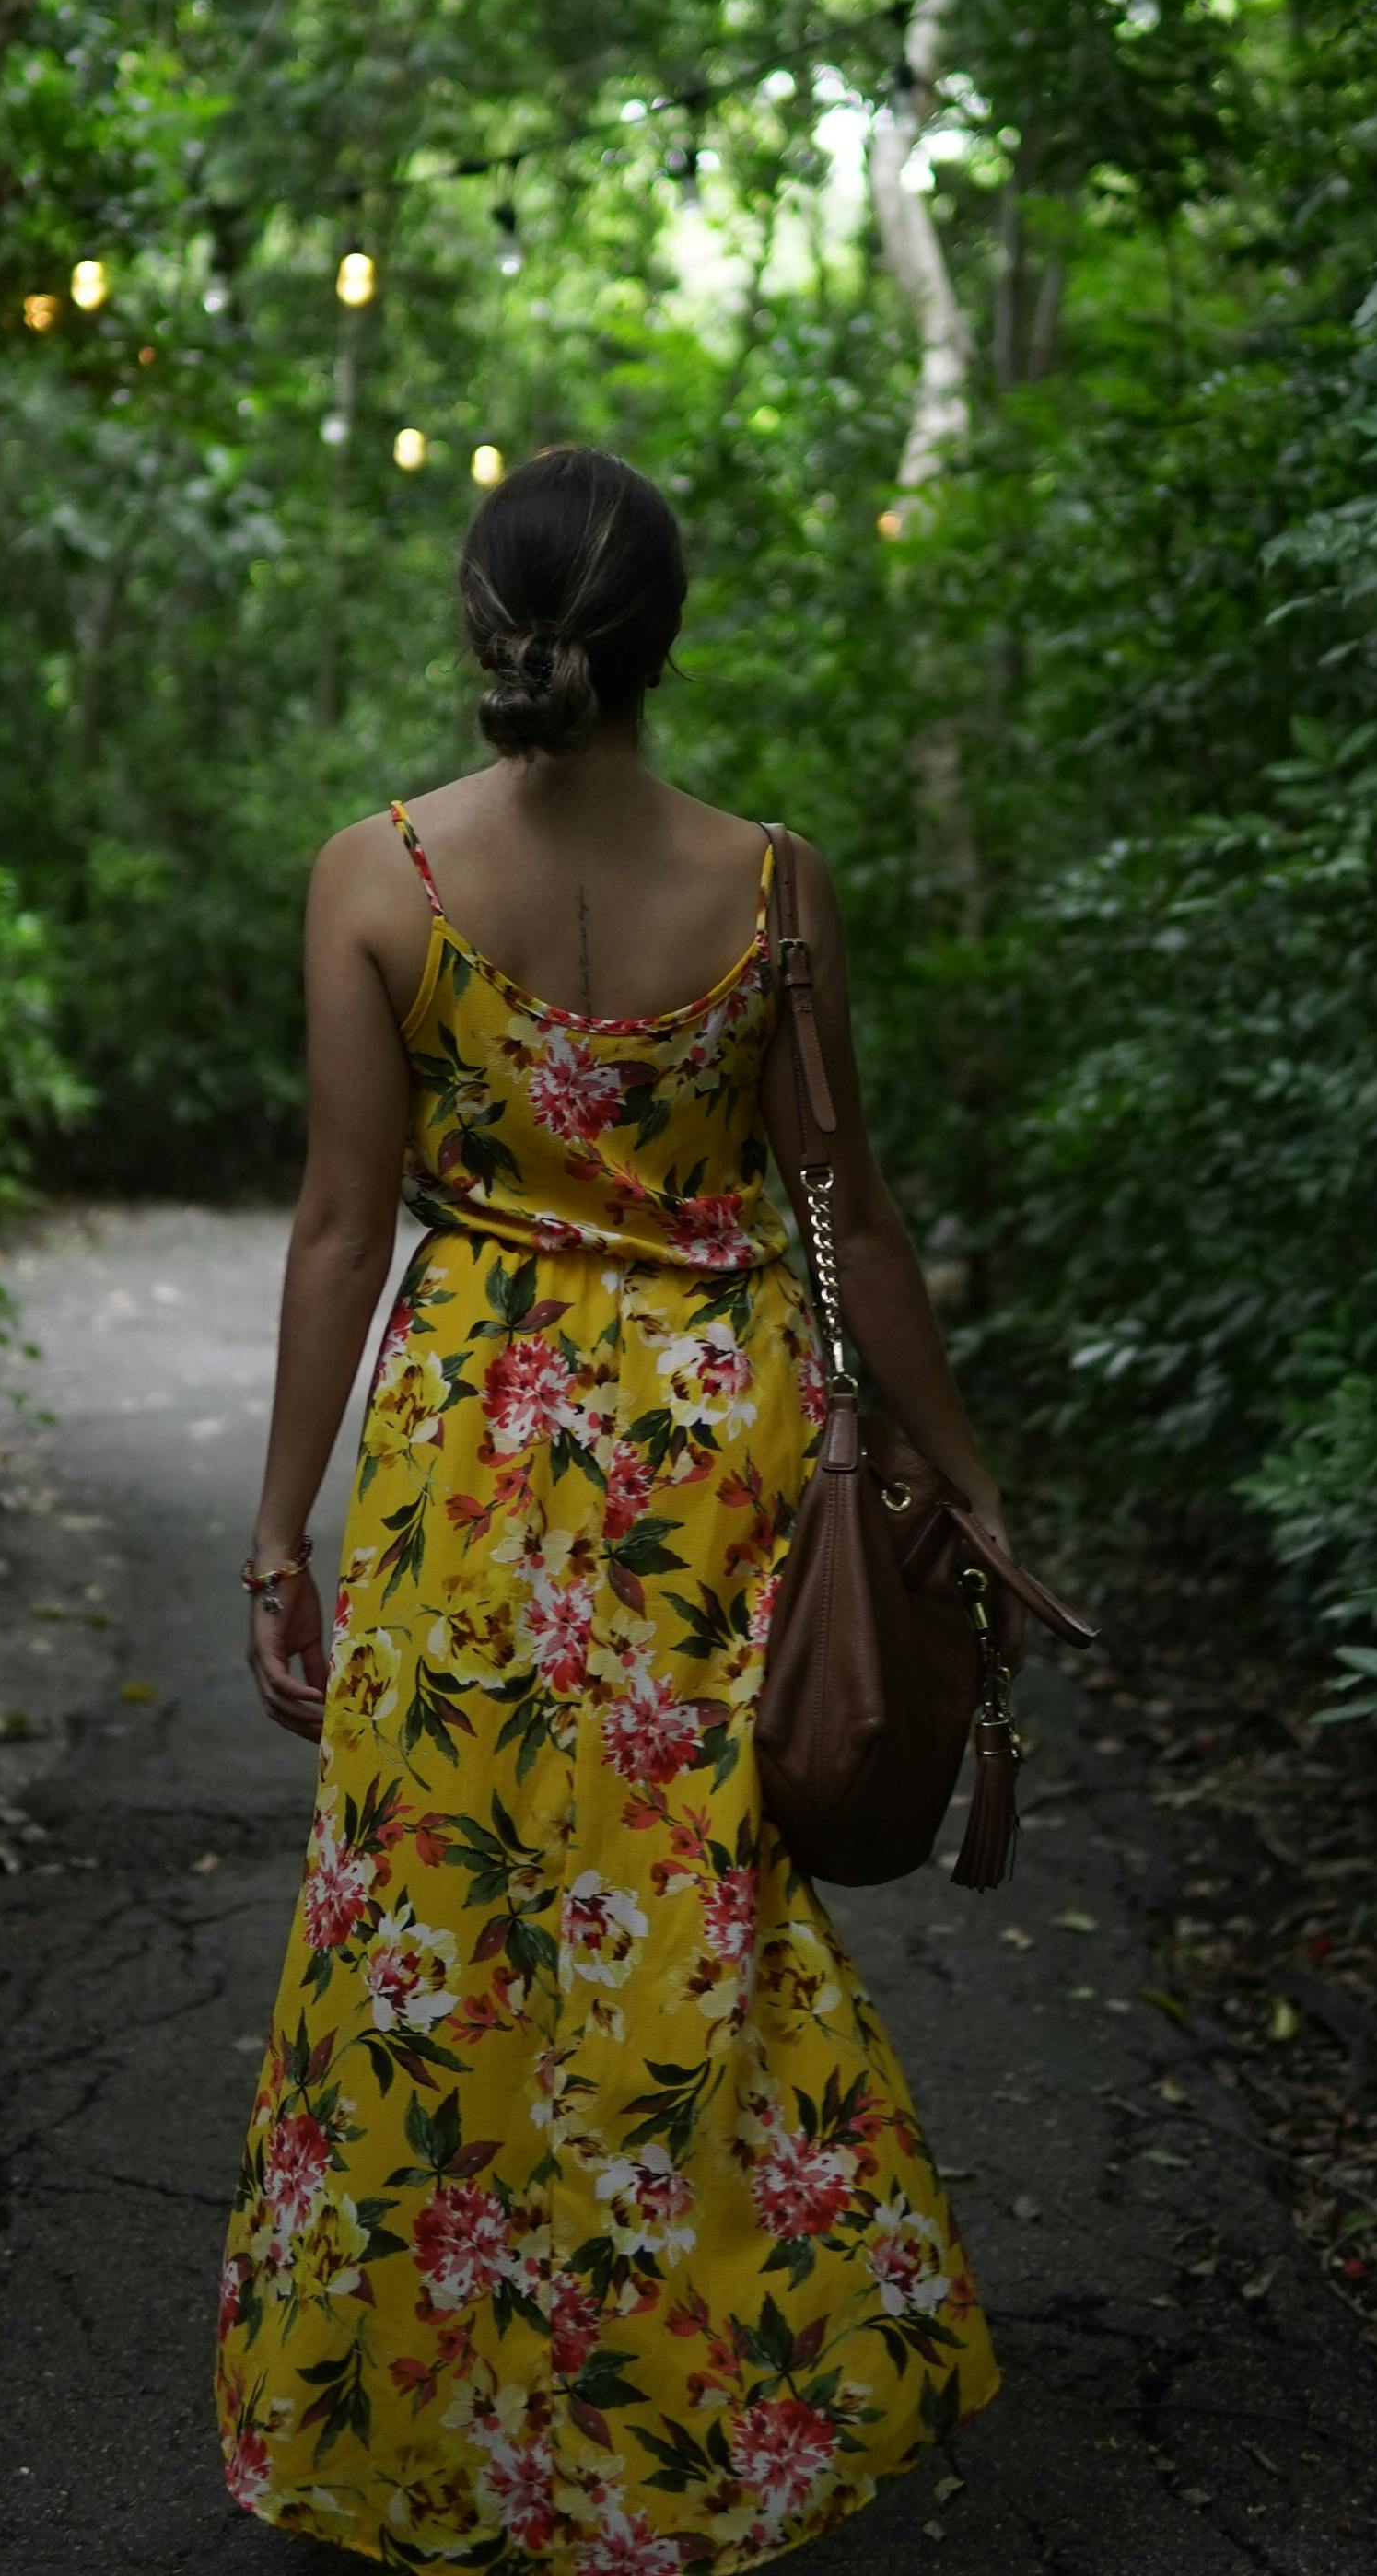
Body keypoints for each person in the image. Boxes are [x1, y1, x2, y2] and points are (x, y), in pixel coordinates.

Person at [216, 445, 1021, 2568]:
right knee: (687, 1918)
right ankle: (699, 2425)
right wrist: (963, 1475)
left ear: (477, 629)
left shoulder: (372, 876)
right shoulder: (770, 885)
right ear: (663, 639)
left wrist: (279, 1531)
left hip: (470, 1453)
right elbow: (847, 1203)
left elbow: (336, 1226)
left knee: (436, 1917)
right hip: (709, 1456)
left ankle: (418, 2429)